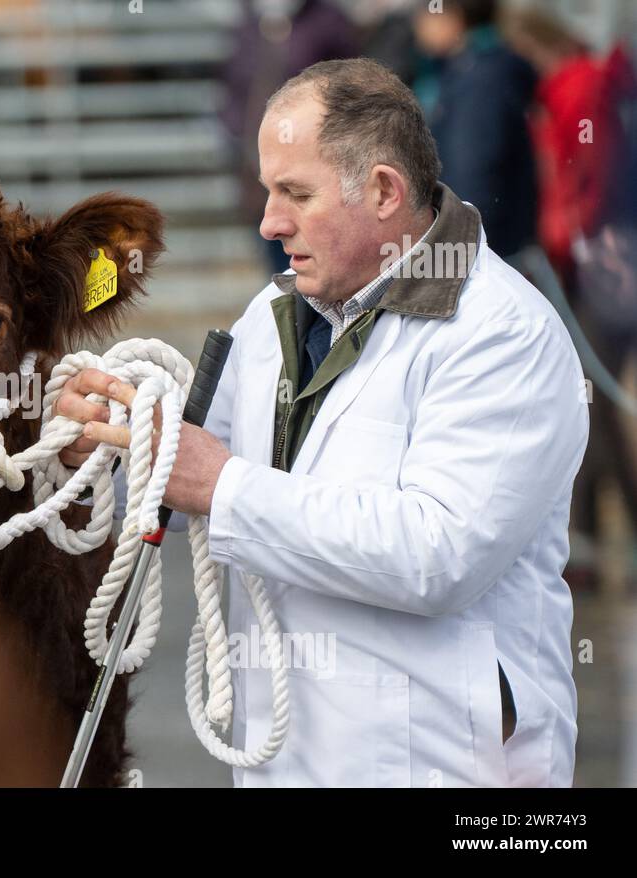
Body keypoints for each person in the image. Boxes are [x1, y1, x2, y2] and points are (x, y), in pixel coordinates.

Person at [58, 59, 587, 787]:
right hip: (286, 761)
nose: (270, 222)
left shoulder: (503, 333)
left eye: (294, 194)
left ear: (382, 192)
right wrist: (108, 450)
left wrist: (221, 485)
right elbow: (191, 485)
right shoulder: (273, 312)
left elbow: (438, 554)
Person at [504, 9, 637, 593]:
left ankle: (606, 544)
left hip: (593, 267)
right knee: (584, 402)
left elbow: (581, 179)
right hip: (590, 265)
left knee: (595, 407)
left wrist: (560, 241)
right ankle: (581, 547)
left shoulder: (575, 87)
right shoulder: (582, 83)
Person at [221, 0, 359, 275]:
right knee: (276, 252)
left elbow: (353, 87)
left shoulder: (327, 21)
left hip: (314, 163)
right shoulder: (250, 23)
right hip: (258, 166)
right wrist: (234, 130)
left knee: (315, 253)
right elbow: (234, 83)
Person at [413, 0, 539, 259]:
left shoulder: (478, 80)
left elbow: (473, 171)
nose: (418, 24)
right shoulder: (465, 71)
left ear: (454, 16)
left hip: (480, 245)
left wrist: (455, 243)